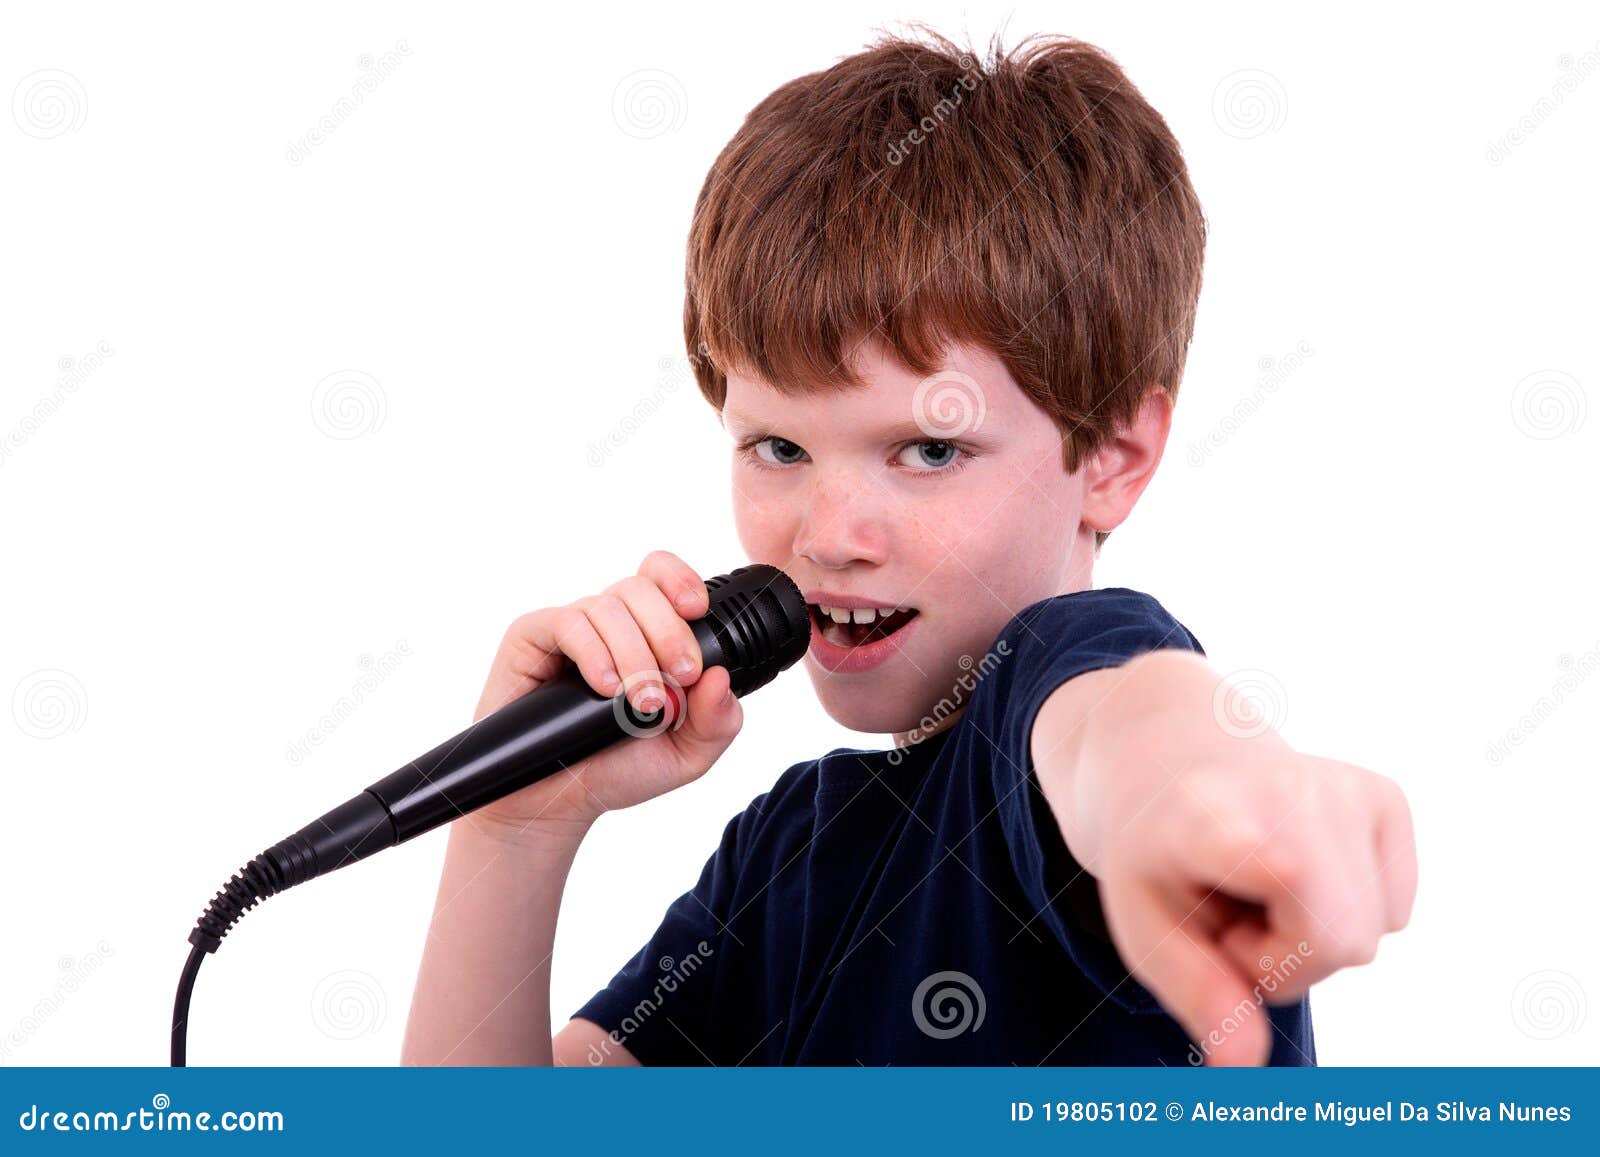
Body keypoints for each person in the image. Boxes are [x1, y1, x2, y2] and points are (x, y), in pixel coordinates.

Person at [401, 27, 1415, 1068]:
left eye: (930, 448)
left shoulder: (1069, 676)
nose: (828, 535)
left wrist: (1191, 795)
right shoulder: (789, 857)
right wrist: (510, 833)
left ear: (1111, 457)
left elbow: (1115, 721)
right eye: (778, 446)